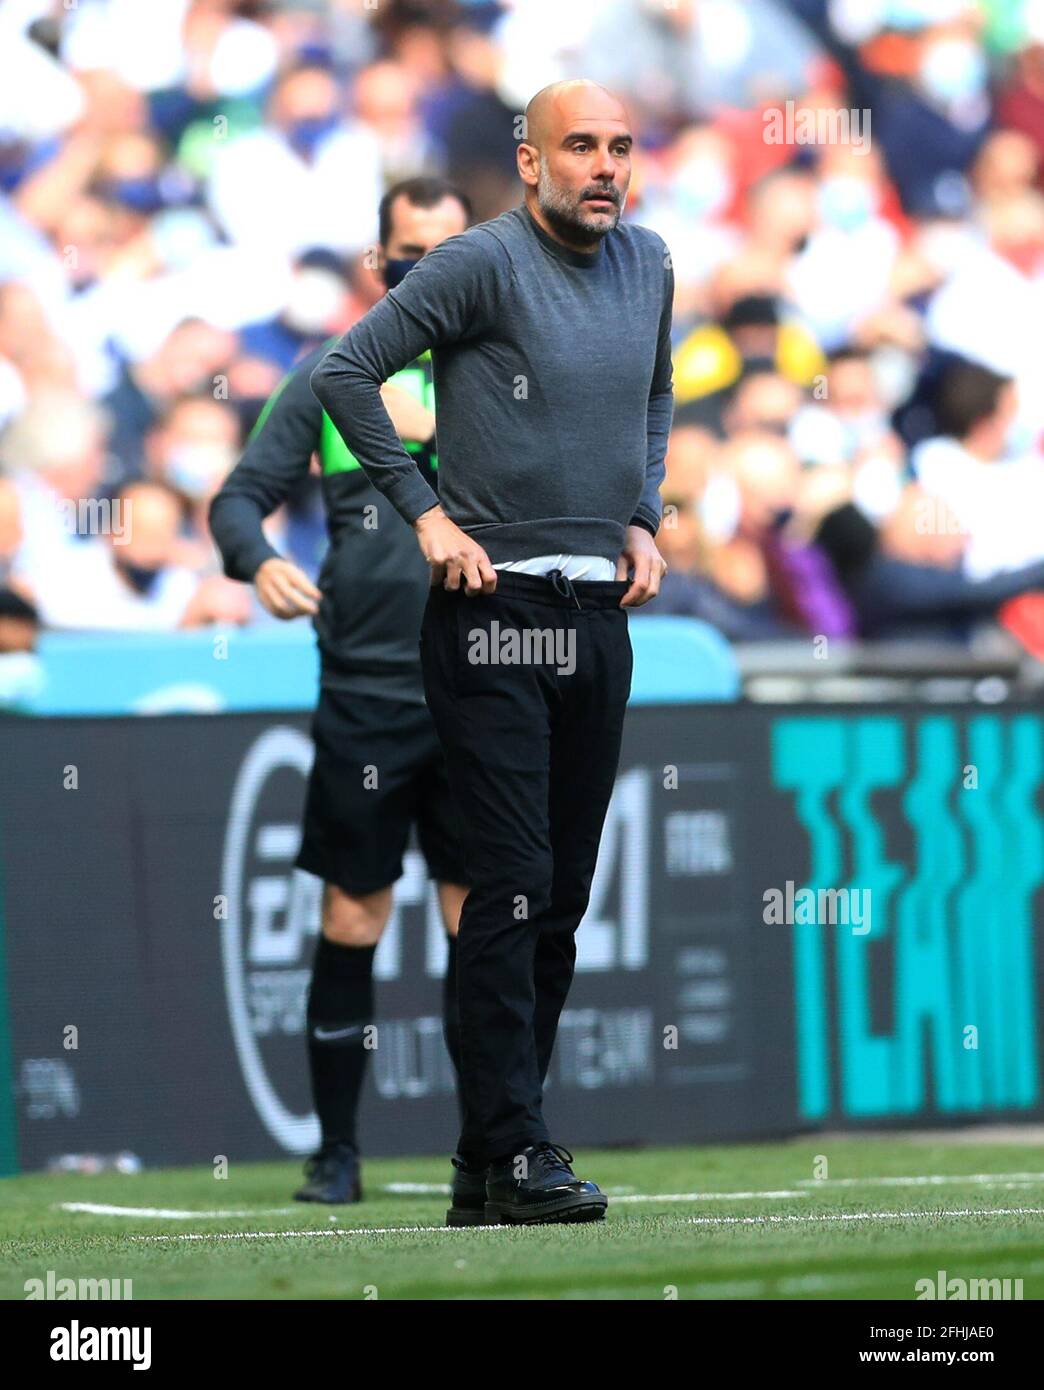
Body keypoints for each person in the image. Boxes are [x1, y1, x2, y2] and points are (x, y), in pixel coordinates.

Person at [311, 80, 672, 1226]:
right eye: (582, 146)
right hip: (492, 606)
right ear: (529, 161)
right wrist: (423, 513)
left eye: (621, 146)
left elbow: (655, 396)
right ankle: (517, 1148)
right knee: (511, 885)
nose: (606, 165)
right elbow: (343, 373)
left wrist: (646, 514)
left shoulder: (653, 263)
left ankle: (488, 1158)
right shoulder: (475, 262)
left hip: (600, 610)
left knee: (560, 892)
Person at [209, 177, 473, 1205]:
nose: (432, 268)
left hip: (483, 682)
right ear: (382, 262)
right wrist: (256, 561)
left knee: (481, 923)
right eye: (413, 251)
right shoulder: (332, 374)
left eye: (451, 249)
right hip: (366, 687)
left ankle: (494, 1145)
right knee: (352, 916)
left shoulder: (507, 371)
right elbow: (239, 498)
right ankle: (337, 1150)